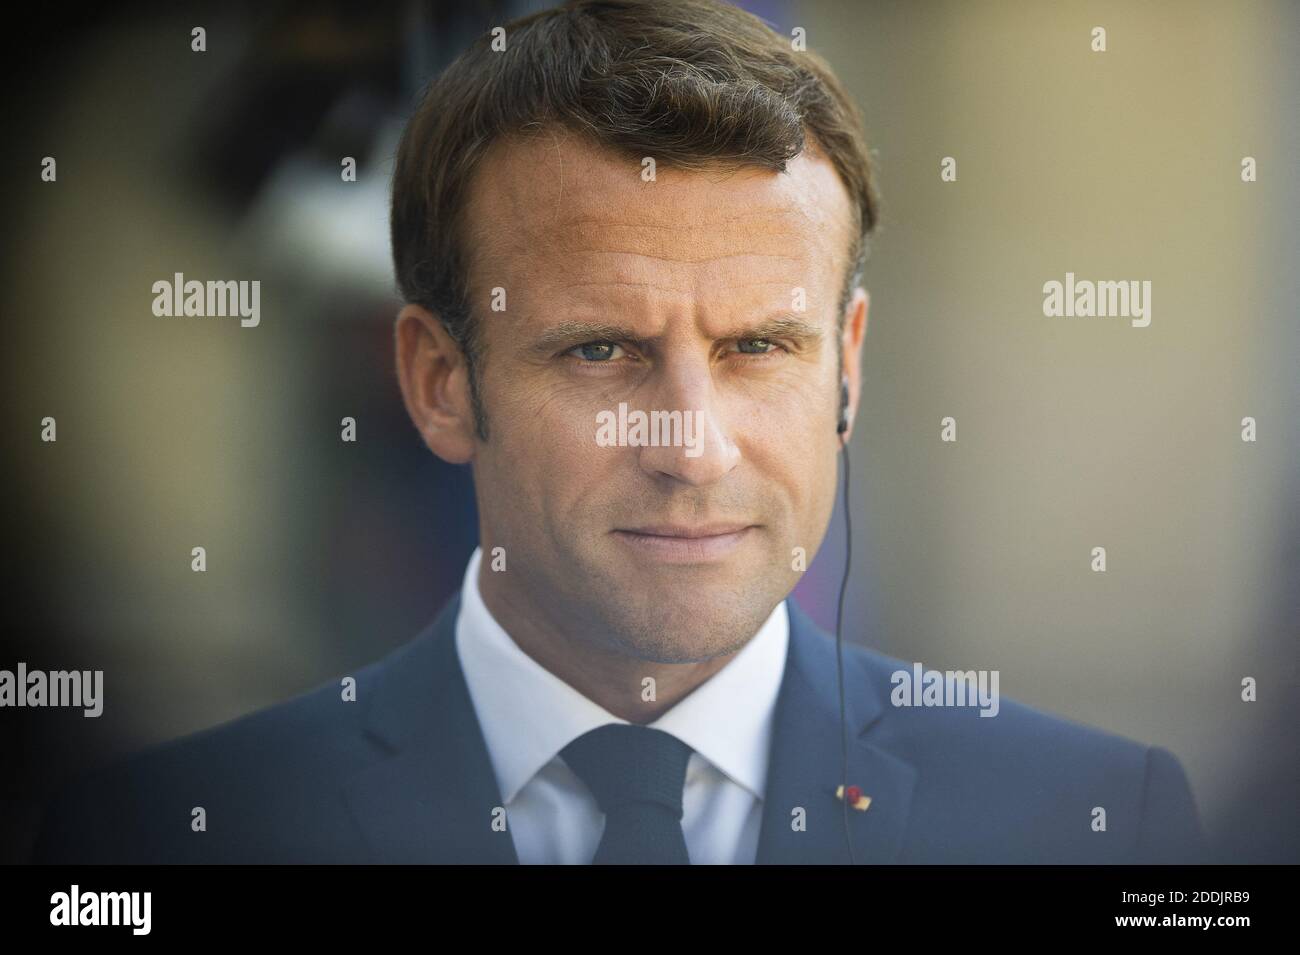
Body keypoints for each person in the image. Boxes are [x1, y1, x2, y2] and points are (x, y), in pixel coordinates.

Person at [31, 0, 1207, 865]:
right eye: (604, 348)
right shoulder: (156, 831)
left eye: (764, 347)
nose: (691, 440)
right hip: (414, 483)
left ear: (847, 363)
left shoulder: (1093, 819)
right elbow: (240, 149)